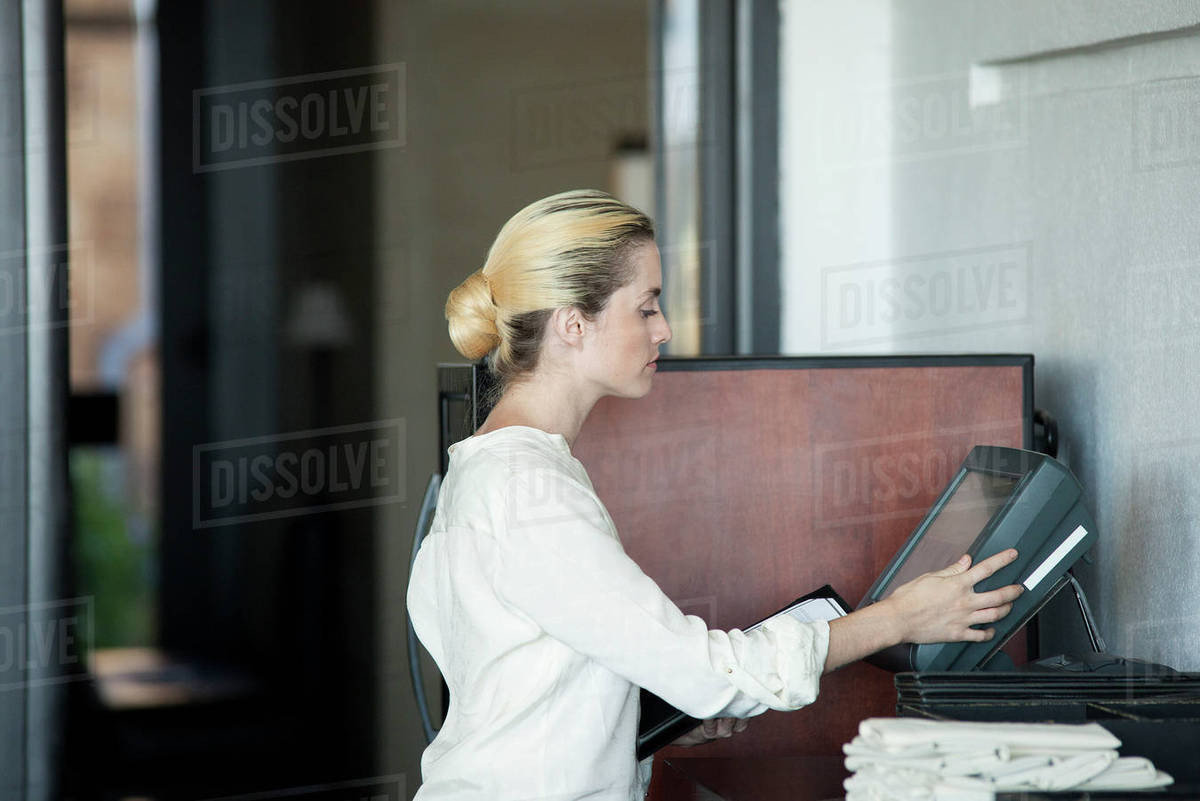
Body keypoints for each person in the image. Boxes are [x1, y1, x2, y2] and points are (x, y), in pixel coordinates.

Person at [407, 189, 1024, 801]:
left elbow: (530, 682)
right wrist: (899, 619)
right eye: (646, 307)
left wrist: (642, 722)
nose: (665, 329)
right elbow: (710, 674)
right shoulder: (530, 489)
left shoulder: (495, 469)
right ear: (573, 324)